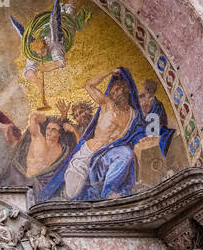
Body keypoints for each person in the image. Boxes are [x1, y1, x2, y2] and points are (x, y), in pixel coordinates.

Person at [48, 67, 174, 201]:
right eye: (112, 91)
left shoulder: (134, 115)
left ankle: (109, 192)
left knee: (126, 153)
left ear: (126, 90)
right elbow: (89, 85)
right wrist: (108, 72)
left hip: (107, 155)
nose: (114, 93)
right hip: (88, 153)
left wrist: (147, 138)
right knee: (71, 193)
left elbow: (138, 133)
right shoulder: (107, 104)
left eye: (117, 90)